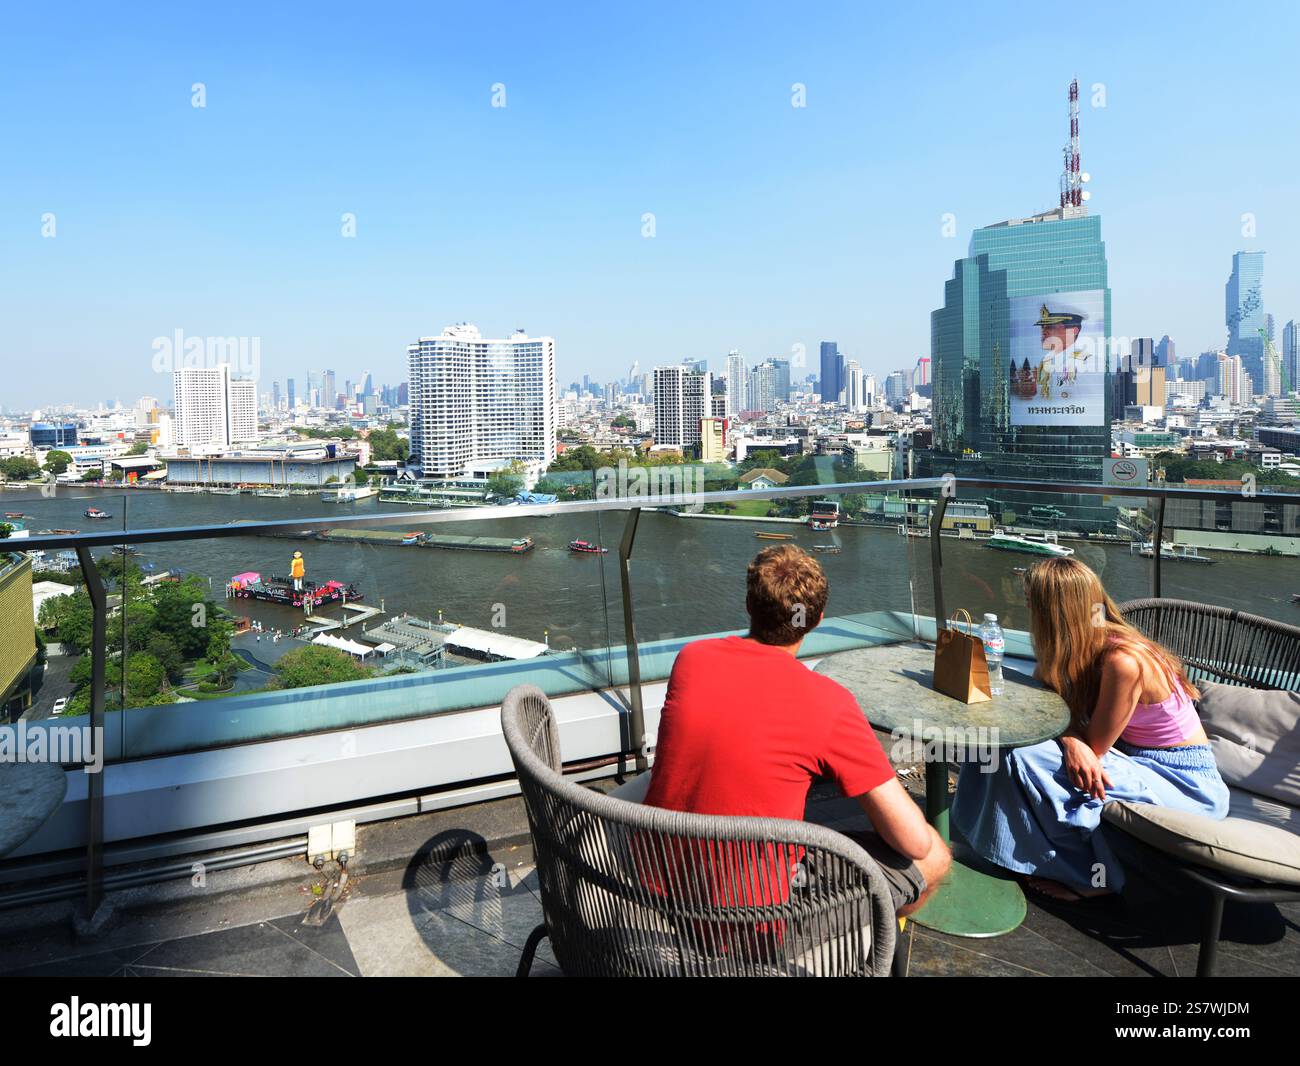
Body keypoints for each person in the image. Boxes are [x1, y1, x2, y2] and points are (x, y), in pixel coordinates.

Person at [638, 544, 950, 916]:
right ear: (817, 619)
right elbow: (912, 843)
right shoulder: (828, 702)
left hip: (655, 886)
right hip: (751, 922)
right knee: (934, 855)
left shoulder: (692, 658)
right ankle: (852, 944)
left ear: (750, 605)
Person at [952, 557, 1229, 901]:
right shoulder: (1079, 643)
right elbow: (1047, 701)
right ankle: (983, 833)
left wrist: (1070, 740)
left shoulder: (1123, 661)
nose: (1024, 602)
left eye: (1031, 598)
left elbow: (1092, 750)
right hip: (1136, 759)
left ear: (1055, 608)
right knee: (1001, 737)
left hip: (1185, 785)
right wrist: (1069, 737)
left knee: (1026, 753)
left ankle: (1091, 877)